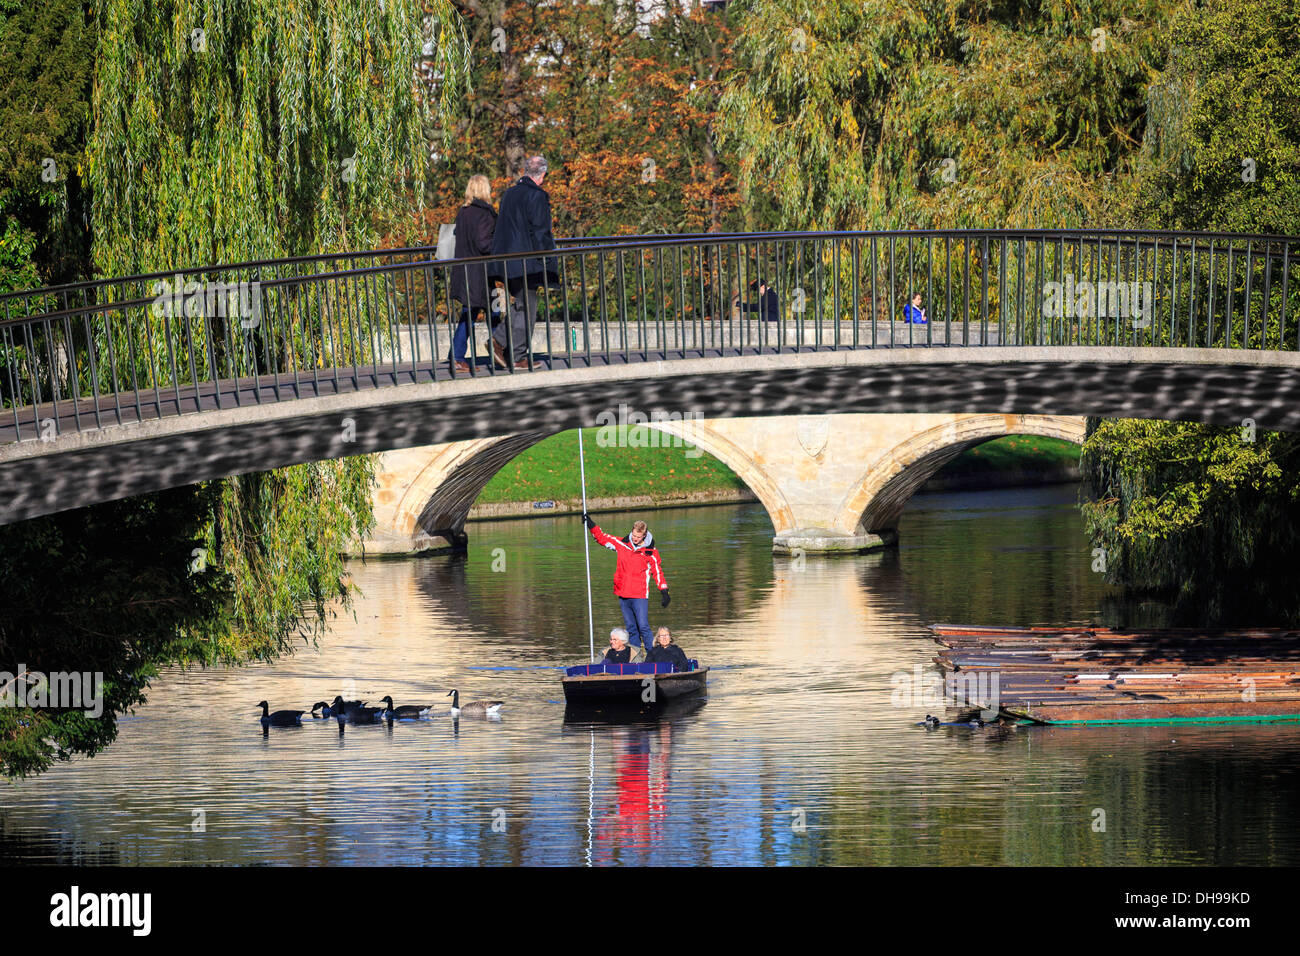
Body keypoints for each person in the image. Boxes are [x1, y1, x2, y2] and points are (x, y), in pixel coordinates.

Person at [490, 154, 558, 371]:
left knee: (521, 305)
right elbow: (541, 232)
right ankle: (511, 351)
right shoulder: (537, 196)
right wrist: (546, 260)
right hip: (525, 262)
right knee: (527, 308)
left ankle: (505, 348)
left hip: (506, 260)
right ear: (543, 174)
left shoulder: (509, 194)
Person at [583, 514, 669, 657]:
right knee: (631, 628)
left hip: (640, 595)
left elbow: (657, 572)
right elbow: (602, 538)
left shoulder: (650, 552)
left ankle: (653, 655)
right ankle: (636, 658)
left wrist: (664, 590)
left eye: (638, 537)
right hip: (623, 593)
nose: (635, 538)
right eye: (633, 535)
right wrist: (591, 525)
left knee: (643, 626)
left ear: (644, 535)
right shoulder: (621, 544)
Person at [448, 175, 499, 372]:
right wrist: (500, 244)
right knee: (490, 311)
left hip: (466, 272)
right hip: (480, 273)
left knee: (473, 313)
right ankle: (497, 351)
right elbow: (483, 243)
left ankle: (459, 356)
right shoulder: (484, 214)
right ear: (484, 189)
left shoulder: (463, 212)